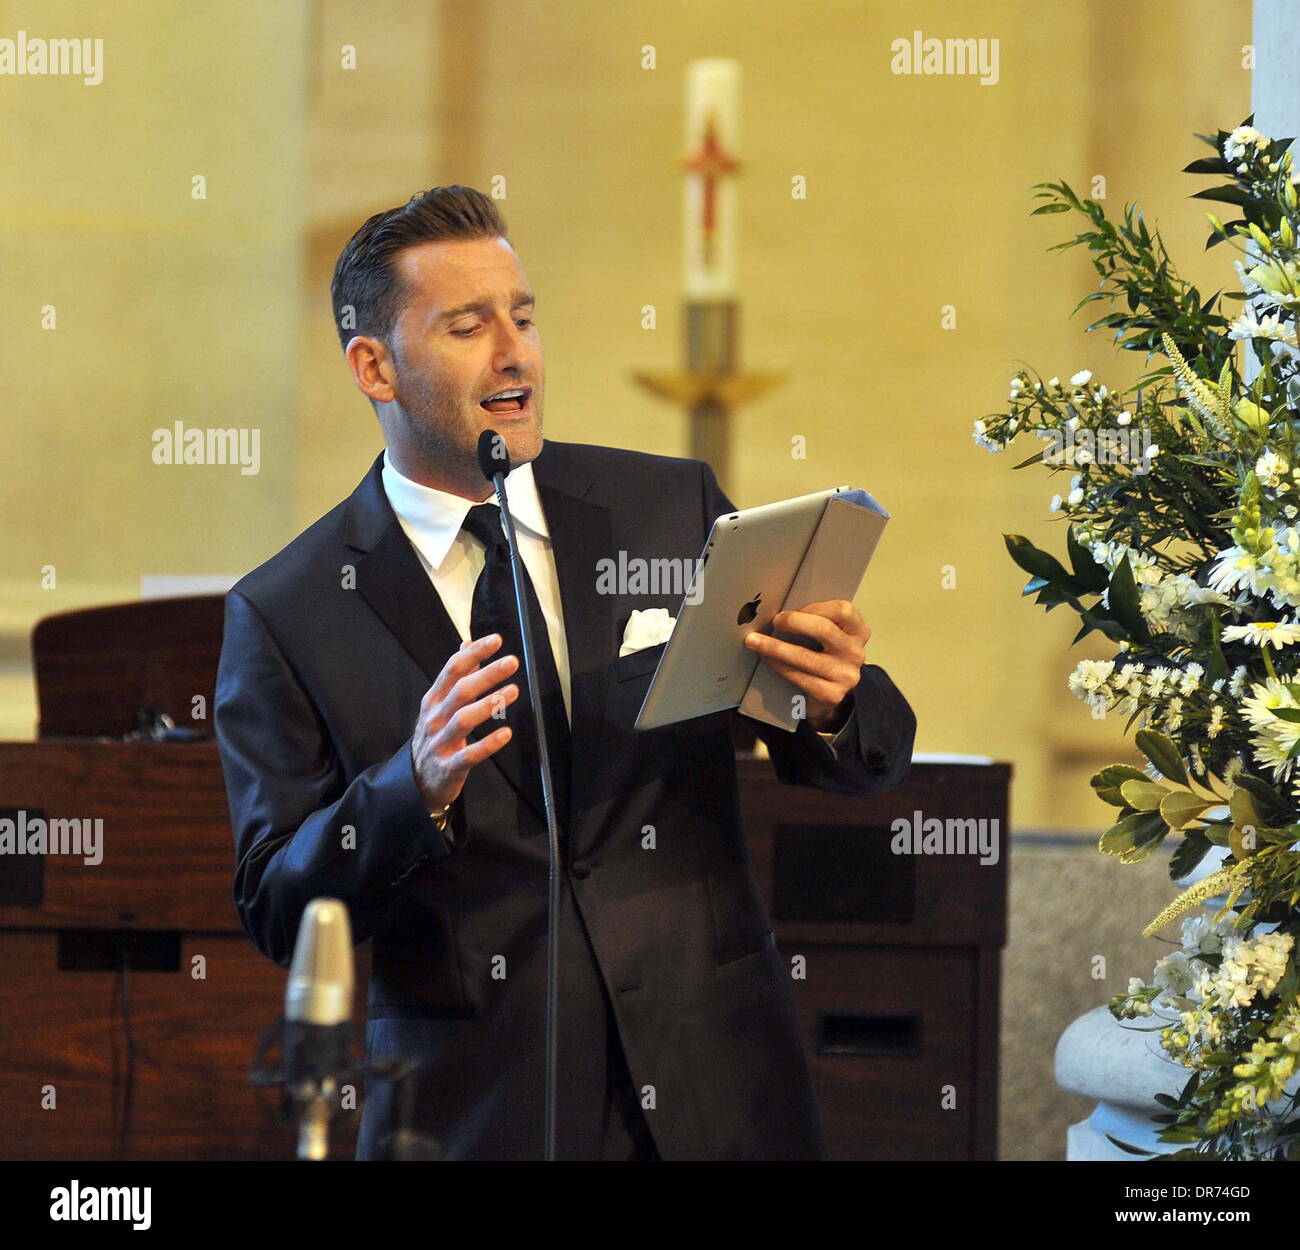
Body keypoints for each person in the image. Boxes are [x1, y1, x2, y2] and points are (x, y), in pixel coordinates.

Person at [214, 185, 917, 1161]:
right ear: (374, 365)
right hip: (472, 1113)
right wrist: (408, 788)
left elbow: (862, 759)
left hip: (717, 1088)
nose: (514, 351)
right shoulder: (288, 611)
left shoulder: (667, 509)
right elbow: (280, 911)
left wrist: (834, 700)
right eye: (468, 325)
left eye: (525, 316)